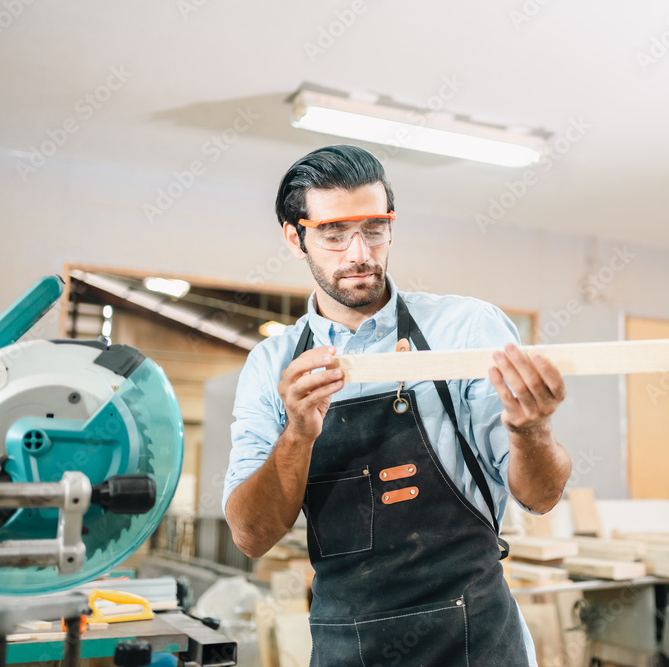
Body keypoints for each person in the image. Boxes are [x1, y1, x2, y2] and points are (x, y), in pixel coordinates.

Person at [223, 144, 572, 666]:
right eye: (334, 234)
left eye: (374, 229)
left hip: (476, 636)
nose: (359, 253)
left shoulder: (467, 332)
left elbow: (541, 497)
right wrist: (297, 435)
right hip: (349, 643)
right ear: (295, 238)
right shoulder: (271, 367)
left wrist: (532, 431)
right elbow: (251, 536)